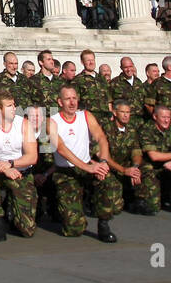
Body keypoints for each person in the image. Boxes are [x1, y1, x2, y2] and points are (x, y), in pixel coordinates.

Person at [45, 85, 120, 243]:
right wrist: (88, 167)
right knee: (74, 229)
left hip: (88, 167)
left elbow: (100, 137)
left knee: (109, 182)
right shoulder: (52, 122)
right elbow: (62, 149)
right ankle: (69, 212)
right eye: (67, 99)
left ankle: (104, 223)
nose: (72, 103)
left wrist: (103, 163)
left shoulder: (86, 116)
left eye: (74, 98)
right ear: (60, 102)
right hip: (66, 173)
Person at [0, 89, 39, 240]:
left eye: (14, 104)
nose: (14, 108)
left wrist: (11, 164)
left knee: (27, 230)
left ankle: (13, 211)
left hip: (20, 171)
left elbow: (32, 157)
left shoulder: (23, 124)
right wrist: (4, 169)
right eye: (9, 106)